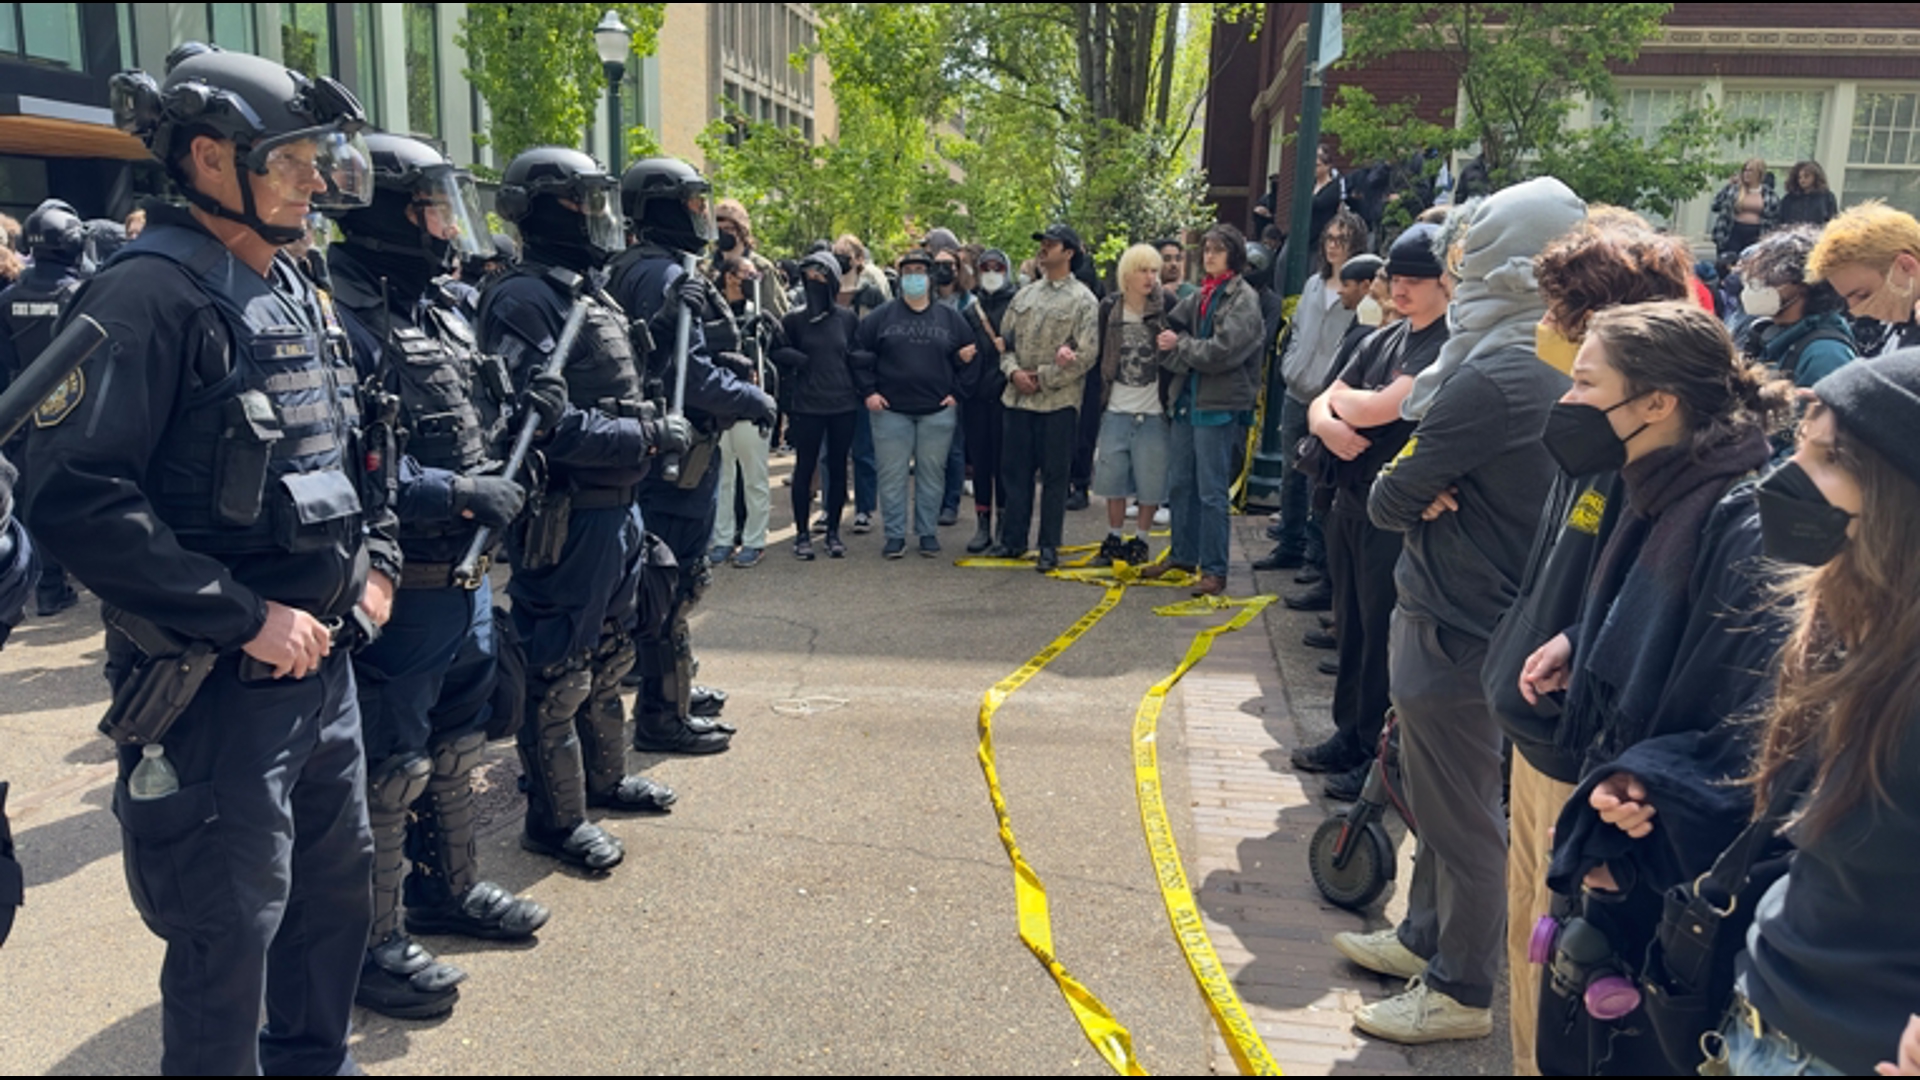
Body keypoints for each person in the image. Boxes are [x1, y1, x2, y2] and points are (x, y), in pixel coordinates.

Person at [23, 42, 392, 1075]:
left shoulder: (288, 285)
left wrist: (373, 567)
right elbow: (74, 495)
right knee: (226, 936)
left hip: (325, 667)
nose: (317, 180)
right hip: (217, 683)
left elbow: (345, 450)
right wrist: (241, 615)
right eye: (293, 160)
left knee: (332, 896)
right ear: (209, 160)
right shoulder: (148, 293)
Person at [1334, 177, 1586, 1045]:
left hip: (1455, 621)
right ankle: (1424, 938)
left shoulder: (1498, 372)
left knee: (1461, 820)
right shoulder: (1541, 359)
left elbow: (1389, 494)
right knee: (1447, 804)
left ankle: (1461, 987)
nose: (1455, 264)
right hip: (1481, 614)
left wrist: (1414, 484)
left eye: (1469, 249)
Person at [1524, 302, 1792, 1074]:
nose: (1569, 402)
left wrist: (1649, 780)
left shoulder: (1745, 519)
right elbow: (1655, 621)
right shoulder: (1658, 482)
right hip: (1621, 834)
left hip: (1665, 856)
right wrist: (1586, 640)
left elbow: (1756, 708)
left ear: (1656, 404)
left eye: (1585, 382)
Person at [325, 133, 549, 1018]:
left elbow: (474, 428)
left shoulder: (443, 309)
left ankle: (446, 891)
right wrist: (460, 489)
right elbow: (351, 473)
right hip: (402, 587)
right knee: (390, 770)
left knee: (456, 750)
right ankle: (370, 945)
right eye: (428, 205)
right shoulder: (342, 315)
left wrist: (523, 419)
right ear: (383, 211)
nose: (445, 224)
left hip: (466, 584)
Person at [1481, 210, 1695, 1075]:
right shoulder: (1590, 434)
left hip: (1585, 755)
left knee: (1561, 959)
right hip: (1535, 722)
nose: (1551, 339)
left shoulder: (1661, 463)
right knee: (1526, 934)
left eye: (1568, 321)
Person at [477, 146, 692, 872]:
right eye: (580, 202)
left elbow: (621, 379)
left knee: (611, 653)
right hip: (572, 514)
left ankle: (604, 778)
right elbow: (537, 425)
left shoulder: (586, 293)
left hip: (621, 505)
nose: (595, 216)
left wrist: (663, 322)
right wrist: (645, 434)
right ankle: (555, 818)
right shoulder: (521, 298)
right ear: (541, 209)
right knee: (560, 667)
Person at [1721, 350, 1920, 1075]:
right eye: (1799, 446)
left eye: (1830, 458)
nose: (1790, 479)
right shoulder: (1851, 617)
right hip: (1766, 1014)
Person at [609, 156, 775, 754]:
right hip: (677, 459)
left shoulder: (640, 266)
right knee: (671, 582)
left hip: (663, 450)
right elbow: (688, 374)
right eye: (692, 205)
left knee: (669, 582)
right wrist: (754, 396)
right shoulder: (660, 274)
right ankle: (661, 714)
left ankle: (673, 691)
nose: (703, 217)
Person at [1297, 228, 1451, 800]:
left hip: (1399, 508)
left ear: (1445, 282)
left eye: (1415, 280)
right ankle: (1351, 733)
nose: (1401, 289)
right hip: (1352, 498)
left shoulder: (1445, 345)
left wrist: (1341, 409)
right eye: (1397, 279)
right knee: (1353, 623)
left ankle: (1381, 755)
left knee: (1387, 629)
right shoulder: (1384, 338)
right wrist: (1327, 423)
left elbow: (1384, 404)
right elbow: (1324, 393)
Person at [1144, 224, 1265, 596]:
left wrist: (1178, 347)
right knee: (1181, 484)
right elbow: (1169, 324)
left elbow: (1222, 351)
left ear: (1235, 254)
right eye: (1206, 249)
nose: (1208, 255)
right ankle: (1183, 553)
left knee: (1212, 491)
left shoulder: (1243, 298)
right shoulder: (1201, 294)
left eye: (1217, 249)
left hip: (1218, 404)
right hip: (1188, 401)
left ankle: (1215, 569)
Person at [1261, 208, 1367, 588]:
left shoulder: (1360, 292)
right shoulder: (1311, 285)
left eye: (1342, 240)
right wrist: (1291, 366)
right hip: (1296, 388)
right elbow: (1299, 331)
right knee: (1291, 472)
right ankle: (1287, 543)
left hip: (1331, 397)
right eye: (1329, 239)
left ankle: (1314, 554)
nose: (1333, 247)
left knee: (1318, 481)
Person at [850, 248, 978, 559]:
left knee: (931, 475)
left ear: (930, 276)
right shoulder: (881, 317)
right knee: (891, 476)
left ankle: (927, 533)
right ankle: (894, 535)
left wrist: (958, 394)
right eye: (908, 272)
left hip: (937, 412)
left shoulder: (950, 318)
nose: (914, 277)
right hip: (890, 412)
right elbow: (856, 355)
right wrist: (868, 392)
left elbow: (973, 355)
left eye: (920, 270)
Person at [992, 224, 1100, 570]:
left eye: (1051, 244)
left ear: (1068, 252)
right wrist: (1013, 372)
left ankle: (1049, 545)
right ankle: (1013, 540)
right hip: (1018, 399)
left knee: (1055, 476)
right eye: (1042, 244)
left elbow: (1086, 354)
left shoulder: (1083, 300)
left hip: (1058, 402)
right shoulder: (1023, 296)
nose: (1044, 249)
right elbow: (1004, 343)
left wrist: (1043, 378)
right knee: (1015, 472)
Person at [0, 198, 89, 616]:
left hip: (25, 411)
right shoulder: (83, 294)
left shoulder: (9, 297)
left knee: (32, 498)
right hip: (80, 410)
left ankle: (49, 588)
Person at [1088, 243, 1173, 567]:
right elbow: (1095, 347)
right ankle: (1113, 537)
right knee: (1112, 480)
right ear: (1127, 274)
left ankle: (1141, 541)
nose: (1150, 277)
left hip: (1153, 410)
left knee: (1151, 480)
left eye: (1154, 270)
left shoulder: (1168, 306)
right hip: (1116, 406)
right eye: (1143, 270)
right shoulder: (1110, 308)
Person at [773, 250, 861, 560]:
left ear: (834, 280)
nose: (814, 282)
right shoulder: (794, 319)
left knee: (837, 470)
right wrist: (791, 358)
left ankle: (834, 532)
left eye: (821, 276)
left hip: (842, 404)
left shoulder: (848, 319)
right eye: (809, 275)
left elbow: (855, 357)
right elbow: (779, 356)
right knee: (805, 469)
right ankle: (801, 534)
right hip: (807, 406)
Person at [705, 252, 777, 568]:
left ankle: (754, 540)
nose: (753, 281)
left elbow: (774, 357)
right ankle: (722, 539)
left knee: (755, 478)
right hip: (719, 405)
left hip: (750, 405)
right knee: (723, 477)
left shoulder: (757, 313)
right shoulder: (711, 313)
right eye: (747, 274)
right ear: (730, 276)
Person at [1737, 225, 1858, 390]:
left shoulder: (1825, 354)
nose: (1755, 286)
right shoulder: (1769, 336)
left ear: (1805, 283)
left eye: (1768, 278)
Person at [1807, 200, 1920, 356]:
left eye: (1863, 295)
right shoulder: (1898, 324)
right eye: (1847, 299)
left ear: (1906, 266)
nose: (1856, 311)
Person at [962, 247, 1017, 554]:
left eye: (998, 267)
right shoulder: (971, 310)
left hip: (1009, 397)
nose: (992, 272)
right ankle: (982, 523)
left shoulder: (1018, 306)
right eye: (986, 268)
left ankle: (1004, 524)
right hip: (977, 400)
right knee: (981, 463)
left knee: (1006, 464)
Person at [1712, 158, 1778, 263]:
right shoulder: (1734, 189)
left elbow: (1774, 216)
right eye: (1745, 170)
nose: (1746, 173)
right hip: (1733, 231)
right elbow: (1715, 205)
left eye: (1750, 171)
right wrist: (1729, 186)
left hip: (1757, 233)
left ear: (1759, 173)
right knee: (1729, 263)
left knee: (1750, 265)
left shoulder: (1769, 194)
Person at [1776, 160, 1837, 228]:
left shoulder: (1827, 197)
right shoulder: (1789, 199)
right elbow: (1781, 221)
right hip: (1794, 236)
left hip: (1818, 236)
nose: (1802, 180)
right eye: (1799, 177)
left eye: (1806, 176)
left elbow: (1833, 221)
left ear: (1815, 177)